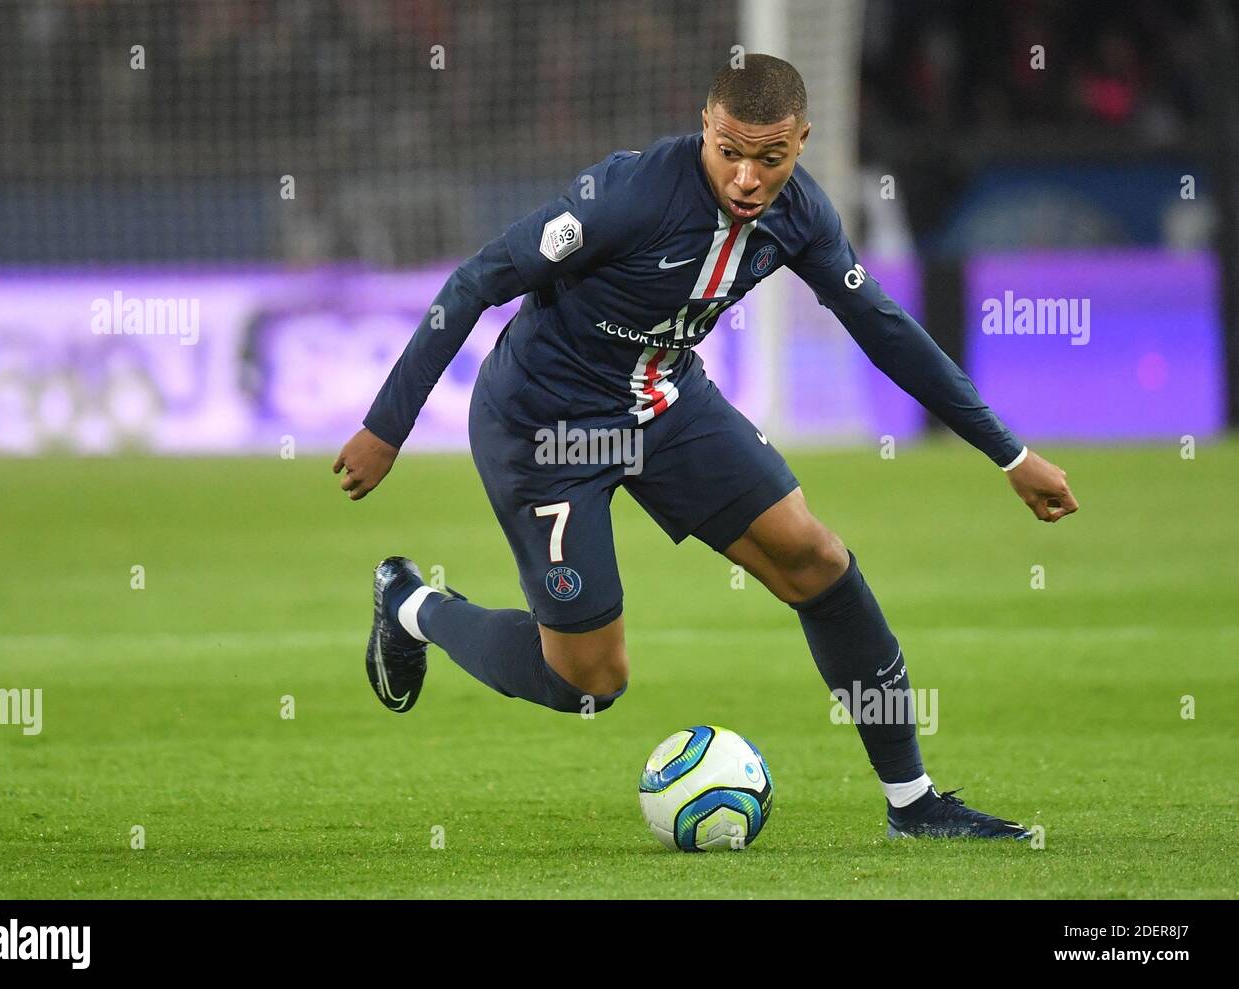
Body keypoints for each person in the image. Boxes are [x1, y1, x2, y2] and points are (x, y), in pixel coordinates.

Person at [332, 54, 1078, 839]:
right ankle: (412, 606)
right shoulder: (625, 197)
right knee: (589, 679)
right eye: (731, 151)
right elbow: (477, 279)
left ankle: (914, 804)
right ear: (705, 127)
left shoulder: (802, 216)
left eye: (771, 157)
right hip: (542, 426)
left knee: (813, 557)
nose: (749, 177)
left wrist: (1011, 455)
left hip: (664, 403)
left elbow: (885, 330)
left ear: (801, 144)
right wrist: (389, 424)